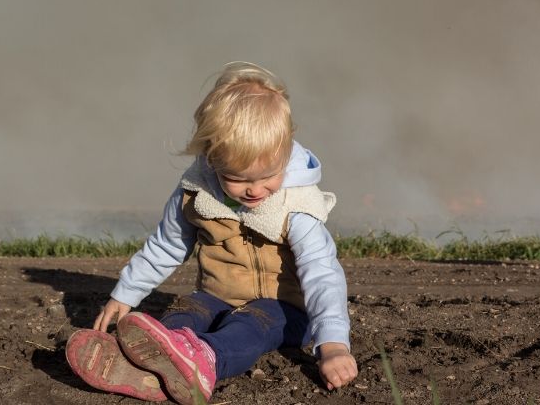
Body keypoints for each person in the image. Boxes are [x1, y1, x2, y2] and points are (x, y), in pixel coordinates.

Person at [65, 62, 357, 404]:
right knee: (184, 310)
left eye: (267, 176)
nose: (254, 190)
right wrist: (125, 294)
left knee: (250, 326)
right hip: (216, 296)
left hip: (284, 309)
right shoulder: (196, 193)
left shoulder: (297, 204)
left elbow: (322, 273)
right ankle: (151, 364)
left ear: (286, 153)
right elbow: (166, 245)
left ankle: (205, 359)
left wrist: (334, 344)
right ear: (212, 159)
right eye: (238, 178)